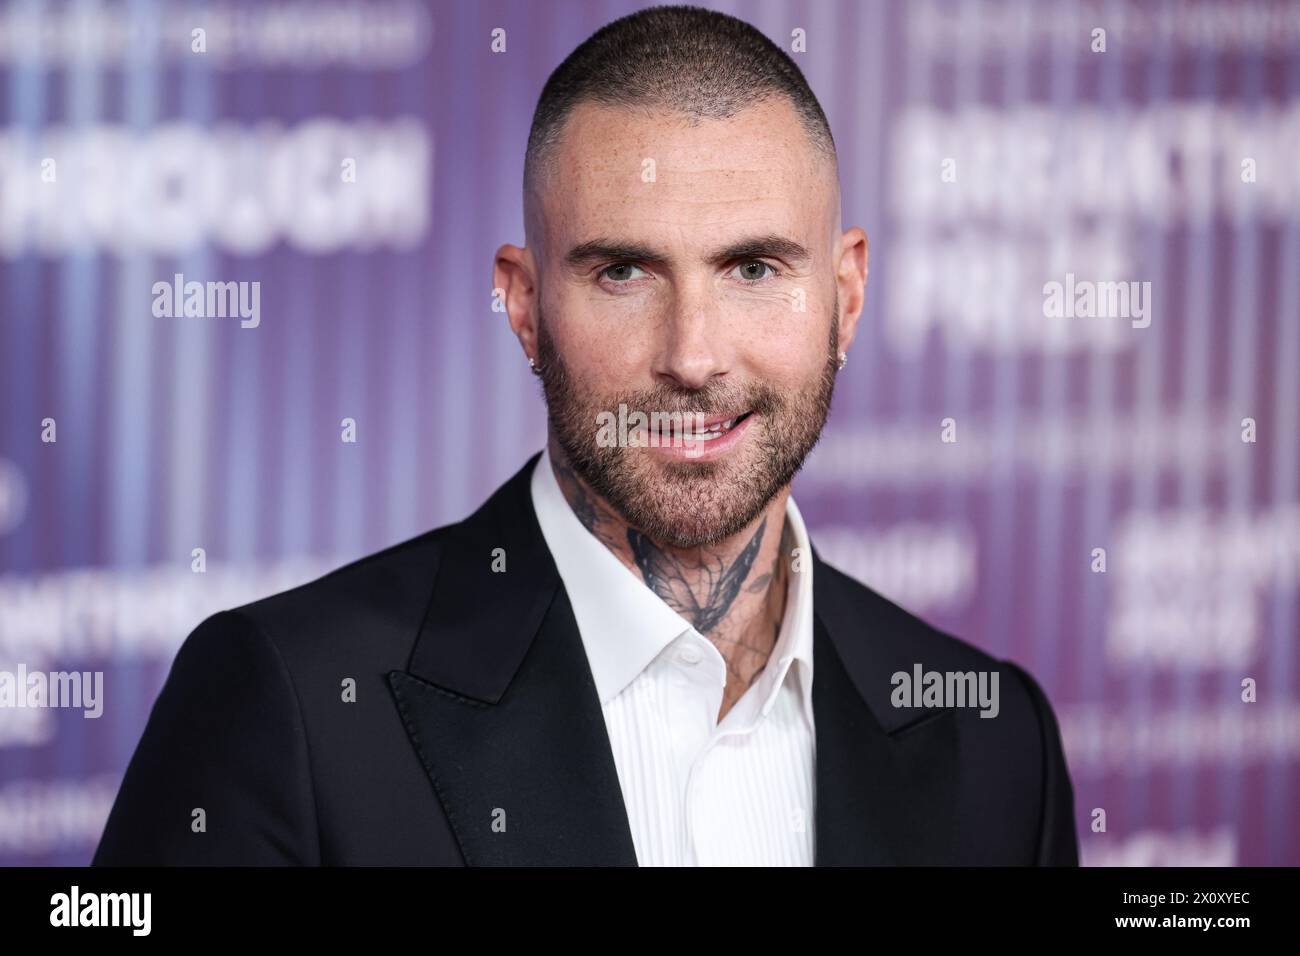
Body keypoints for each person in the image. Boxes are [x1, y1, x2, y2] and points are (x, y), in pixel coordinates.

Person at [93, 4, 1078, 866]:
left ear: (846, 294)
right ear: (523, 307)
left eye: (752, 269)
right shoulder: (291, 706)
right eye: (623, 272)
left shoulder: (992, 741)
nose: (693, 356)